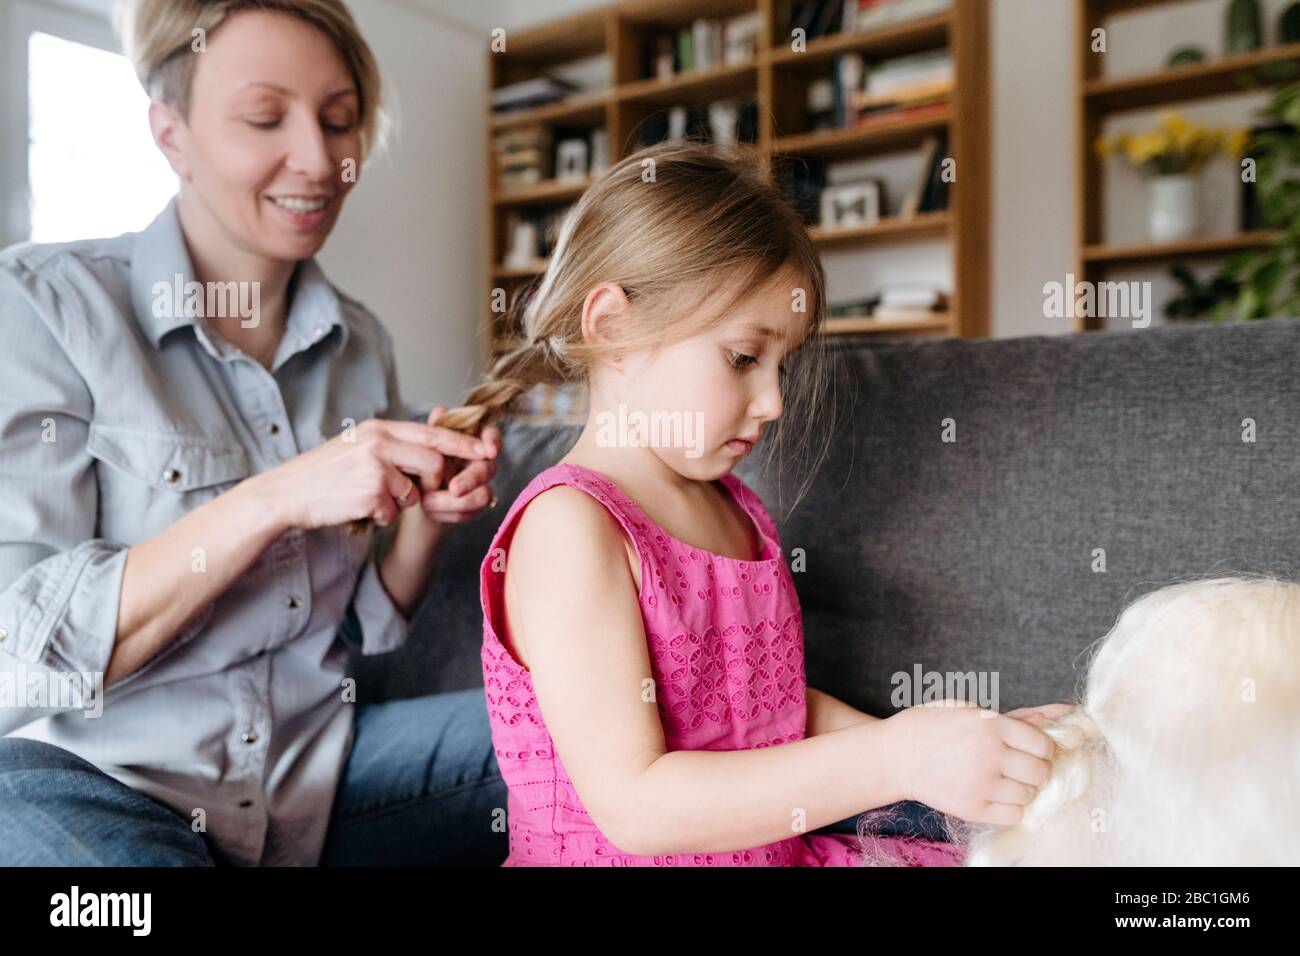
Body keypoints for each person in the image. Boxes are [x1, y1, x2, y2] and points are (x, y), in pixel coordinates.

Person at [424, 141, 1064, 866]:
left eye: (781, 365)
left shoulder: (735, 507)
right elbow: (637, 806)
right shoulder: (570, 527)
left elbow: (775, 709)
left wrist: (952, 750)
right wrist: (893, 759)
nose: (773, 402)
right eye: (742, 358)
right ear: (613, 327)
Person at [0, 0, 507, 866]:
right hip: (96, 783)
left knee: (603, 736)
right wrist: (274, 497)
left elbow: (366, 635)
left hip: (314, 776)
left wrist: (425, 519)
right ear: (173, 136)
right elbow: (16, 655)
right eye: (264, 117)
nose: (318, 158)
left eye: (340, 120)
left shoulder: (360, 343)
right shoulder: (46, 306)